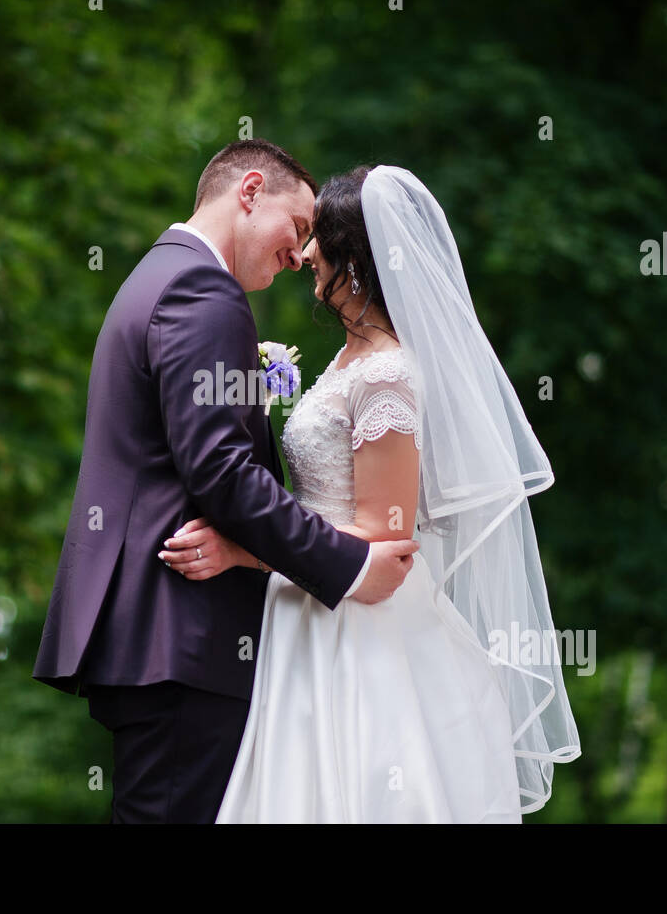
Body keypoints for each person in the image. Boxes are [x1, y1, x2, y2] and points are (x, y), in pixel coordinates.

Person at [160, 165, 582, 821]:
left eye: (316, 238)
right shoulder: (347, 359)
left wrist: (242, 552)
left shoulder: (386, 373)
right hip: (307, 609)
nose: (303, 255)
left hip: (357, 626)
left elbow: (383, 537)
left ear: (353, 255)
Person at [32, 141, 419, 823]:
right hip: (181, 634)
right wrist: (351, 562)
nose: (302, 254)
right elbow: (220, 470)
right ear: (248, 192)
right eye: (297, 228)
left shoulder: (159, 274)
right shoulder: (200, 291)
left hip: (162, 639)